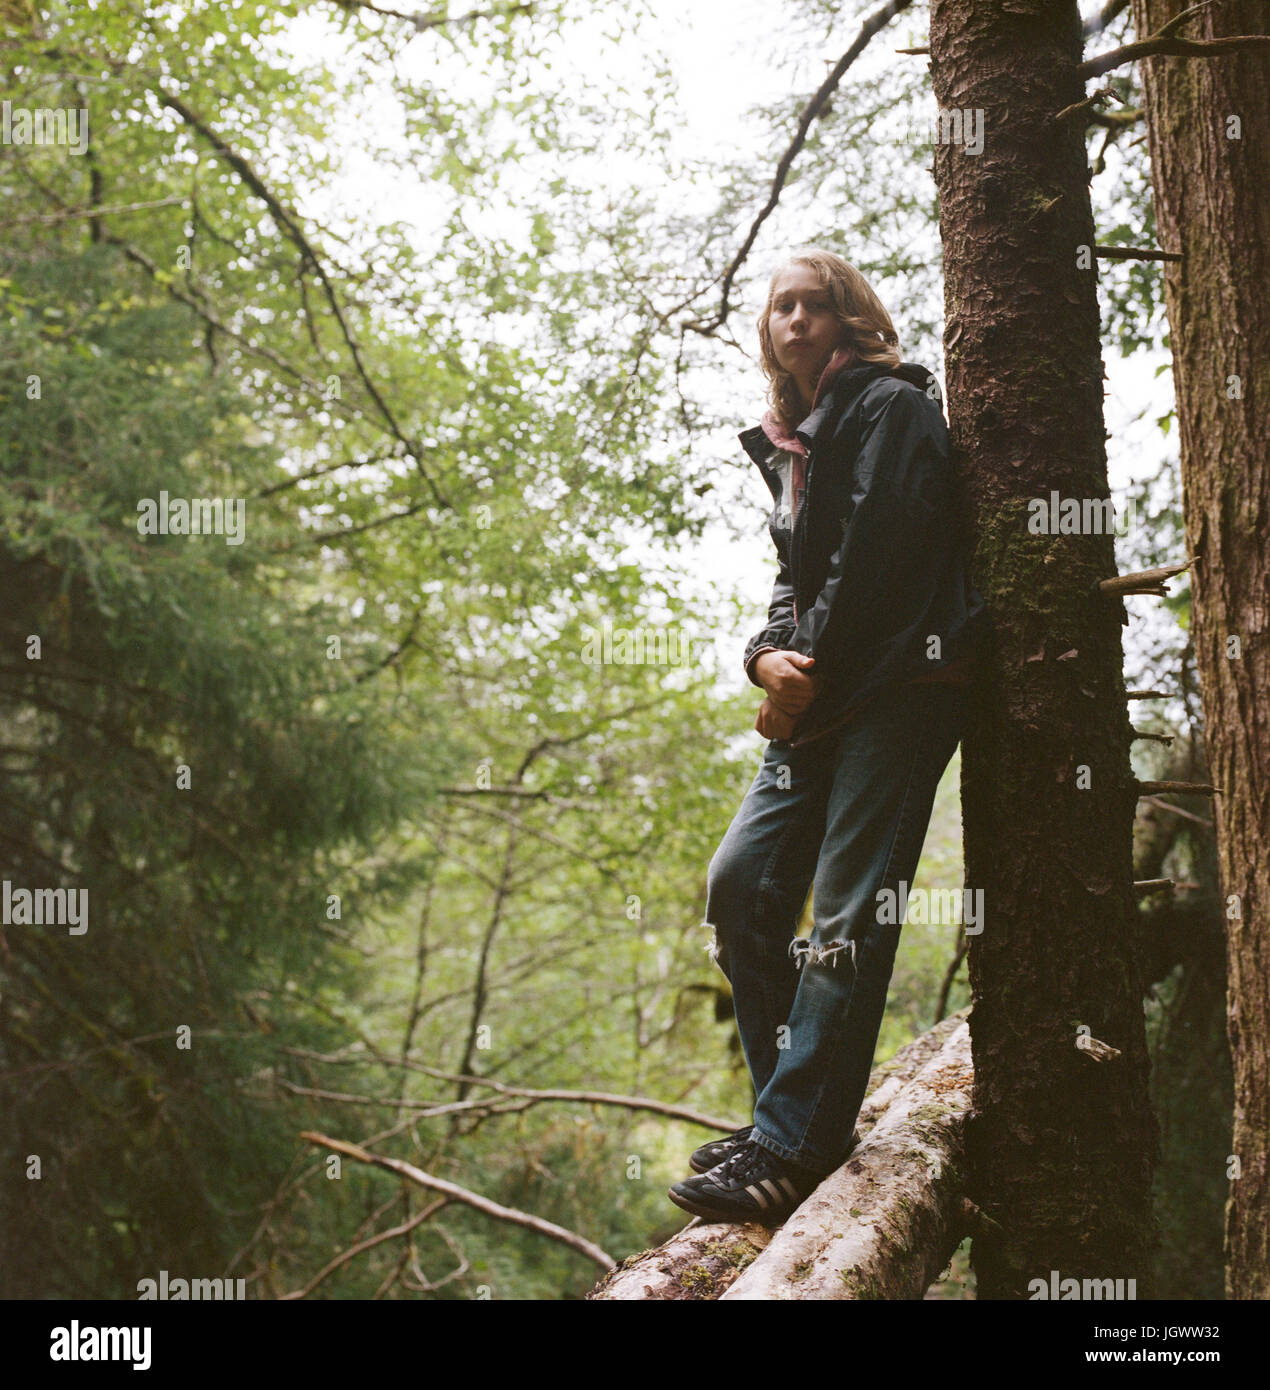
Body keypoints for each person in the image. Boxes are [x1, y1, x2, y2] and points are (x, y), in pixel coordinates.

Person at [667, 247, 990, 1224]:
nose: (795, 320)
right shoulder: (794, 437)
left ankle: (792, 1142)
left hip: (898, 683)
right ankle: (786, 1120)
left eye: (814, 304)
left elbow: (874, 562)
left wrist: (798, 675)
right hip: (821, 685)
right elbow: (797, 577)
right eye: (781, 307)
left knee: (846, 914)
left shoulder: (889, 407)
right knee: (738, 887)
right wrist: (762, 655)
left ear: (850, 317)